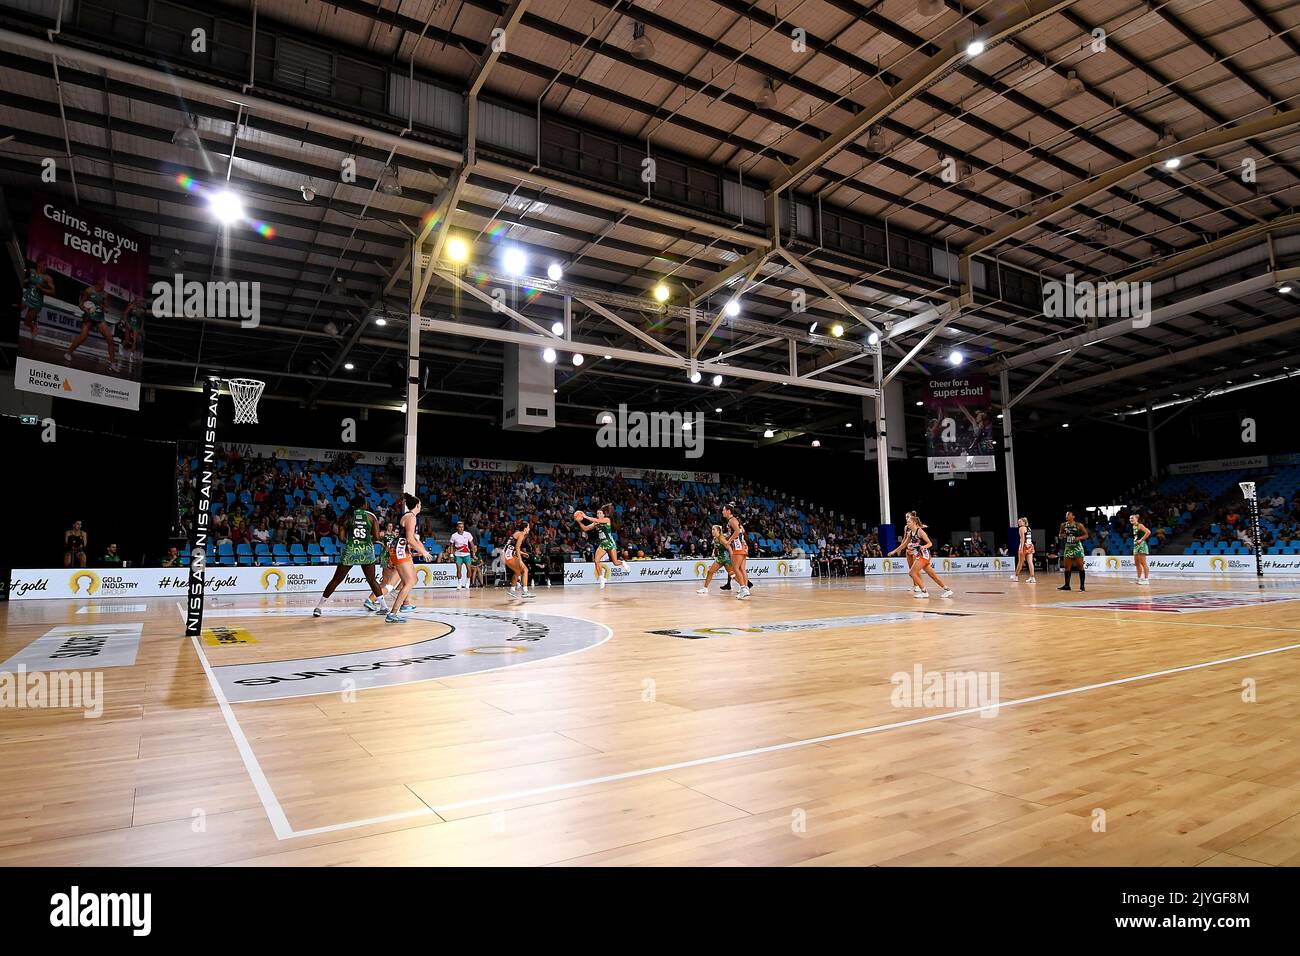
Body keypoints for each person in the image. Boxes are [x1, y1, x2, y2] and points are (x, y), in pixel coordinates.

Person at [314, 495, 387, 617]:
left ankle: (318, 607)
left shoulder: (347, 516)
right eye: (366, 503)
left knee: (336, 580)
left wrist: (352, 542)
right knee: (372, 580)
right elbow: (377, 537)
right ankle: (384, 607)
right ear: (363, 504)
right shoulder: (371, 516)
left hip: (351, 550)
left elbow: (341, 538)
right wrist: (369, 540)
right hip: (366, 551)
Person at [386, 494, 434, 623]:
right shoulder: (411, 517)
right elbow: (410, 539)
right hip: (400, 550)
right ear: (418, 505)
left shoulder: (409, 516)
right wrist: (423, 552)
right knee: (410, 582)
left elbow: (413, 539)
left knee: (412, 579)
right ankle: (393, 613)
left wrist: (422, 548)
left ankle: (402, 600)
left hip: (400, 549)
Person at [889, 511, 953, 599]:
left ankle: (924, 591)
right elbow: (903, 545)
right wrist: (894, 551)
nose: (907, 524)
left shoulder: (920, 532)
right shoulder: (910, 533)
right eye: (907, 522)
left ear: (914, 523)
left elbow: (930, 543)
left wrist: (922, 547)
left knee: (912, 573)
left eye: (909, 522)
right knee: (933, 576)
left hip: (924, 556)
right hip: (921, 556)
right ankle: (948, 590)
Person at [65, 278, 119, 372]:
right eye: (101, 282)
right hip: (89, 316)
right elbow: (81, 304)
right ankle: (68, 353)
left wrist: (104, 308)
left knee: (110, 339)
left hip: (99, 318)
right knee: (83, 336)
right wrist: (84, 308)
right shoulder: (89, 290)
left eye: (104, 283)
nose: (103, 284)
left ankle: (113, 364)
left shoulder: (105, 294)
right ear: (97, 282)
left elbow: (106, 307)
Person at [576, 505, 626, 591]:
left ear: (603, 515)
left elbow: (596, 520)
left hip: (610, 543)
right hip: (603, 544)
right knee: (596, 560)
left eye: (600, 513)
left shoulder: (607, 520)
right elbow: (585, 528)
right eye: (597, 513)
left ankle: (622, 562)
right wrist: (579, 522)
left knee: (615, 562)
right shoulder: (596, 523)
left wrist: (585, 516)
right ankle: (601, 578)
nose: (598, 514)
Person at [722, 501, 751, 600]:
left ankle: (743, 588)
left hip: (738, 546)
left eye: (724, 510)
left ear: (728, 511)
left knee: (735, 568)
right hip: (742, 545)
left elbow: (738, 531)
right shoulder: (733, 520)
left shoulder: (731, 520)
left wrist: (728, 541)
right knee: (742, 569)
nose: (722, 512)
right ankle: (745, 588)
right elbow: (740, 531)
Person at [20, 259, 56, 337]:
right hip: (27, 295)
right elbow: (27, 279)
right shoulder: (32, 271)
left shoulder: (47, 278)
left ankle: (33, 326)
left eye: (46, 266)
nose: (45, 267)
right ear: (38, 265)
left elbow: (53, 292)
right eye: (44, 265)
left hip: (37, 301)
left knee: (27, 322)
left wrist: (41, 289)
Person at [502, 519, 534, 600]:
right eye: (528, 527)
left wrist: (523, 554)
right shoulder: (521, 534)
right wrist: (520, 560)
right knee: (525, 570)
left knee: (518, 571)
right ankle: (525, 592)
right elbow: (517, 547)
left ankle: (512, 590)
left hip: (506, 554)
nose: (529, 529)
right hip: (508, 555)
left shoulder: (517, 533)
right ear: (525, 528)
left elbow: (512, 547)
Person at [1058, 510, 1089, 591]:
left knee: (1080, 566)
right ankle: (1067, 585)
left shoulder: (1079, 525)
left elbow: (1086, 535)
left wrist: (1078, 538)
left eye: (1068, 514)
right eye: (1066, 514)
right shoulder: (1063, 525)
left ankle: (1082, 586)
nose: (1067, 516)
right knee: (1067, 567)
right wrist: (1062, 536)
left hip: (1077, 547)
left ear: (1073, 516)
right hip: (1068, 547)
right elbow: (1060, 534)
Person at [696, 524, 733, 594]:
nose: (712, 531)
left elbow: (728, 547)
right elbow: (716, 547)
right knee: (710, 572)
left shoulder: (721, 538)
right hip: (720, 557)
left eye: (714, 529)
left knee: (732, 575)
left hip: (726, 558)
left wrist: (732, 557)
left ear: (718, 531)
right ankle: (705, 588)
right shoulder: (715, 538)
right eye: (712, 529)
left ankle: (744, 586)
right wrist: (713, 553)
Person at [449, 520, 476, 591]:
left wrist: (473, 553)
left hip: (467, 554)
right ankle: (459, 583)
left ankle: (467, 582)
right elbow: (451, 546)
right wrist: (451, 555)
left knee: (469, 569)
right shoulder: (454, 536)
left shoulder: (468, 534)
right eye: (460, 527)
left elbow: (472, 544)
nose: (461, 528)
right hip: (458, 555)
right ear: (457, 528)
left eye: (462, 527)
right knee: (458, 570)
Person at [1012, 516, 1037, 584]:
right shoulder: (1029, 528)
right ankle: (1032, 578)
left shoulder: (1021, 528)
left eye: (1020, 521)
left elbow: (1022, 539)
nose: (1018, 522)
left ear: (1024, 522)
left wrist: (1021, 548)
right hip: (1030, 545)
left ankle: (1016, 576)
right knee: (1030, 562)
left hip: (1024, 546)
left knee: (1020, 562)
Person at [1131, 513, 1152, 586]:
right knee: (1137, 564)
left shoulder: (1140, 525)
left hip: (1142, 545)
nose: (1131, 519)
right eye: (1130, 518)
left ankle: (1146, 580)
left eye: (1132, 518)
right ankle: (1138, 578)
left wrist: (1141, 540)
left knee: (1143, 563)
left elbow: (1148, 532)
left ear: (1136, 519)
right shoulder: (1133, 526)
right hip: (1136, 546)